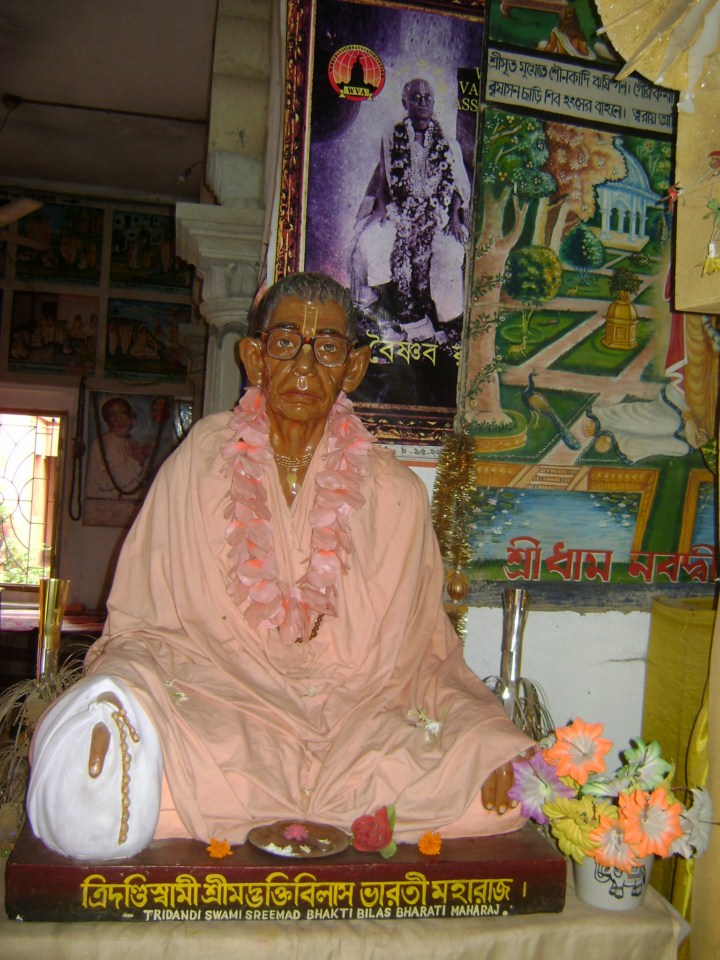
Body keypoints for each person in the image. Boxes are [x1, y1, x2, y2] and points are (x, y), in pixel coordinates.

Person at [27, 272, 532, 861]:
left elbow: (428, 655)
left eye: (328, 348)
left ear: (354, 368)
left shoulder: (397, 494)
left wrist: (491, 738)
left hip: (360, 716)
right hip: (223, 699)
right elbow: (143, 627)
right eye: (287, 342)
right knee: (113, 772)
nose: (304, 366)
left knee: (503, 792)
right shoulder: (200, 464)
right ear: (254, 357)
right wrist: (121, 695)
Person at [350, 79, 470, 344]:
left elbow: (460, 187)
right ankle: (391, 313)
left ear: (434, 104)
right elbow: (383, 179)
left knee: (451, 251)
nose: (423, 101)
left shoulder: (449, 143)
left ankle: (447, 321)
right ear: (405, 103)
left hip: (438, 218)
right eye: (416, 97)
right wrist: (380, 209)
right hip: (400, 213)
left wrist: (453, 218)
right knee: (373, 239)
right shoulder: (392, 136)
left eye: (428, 97)